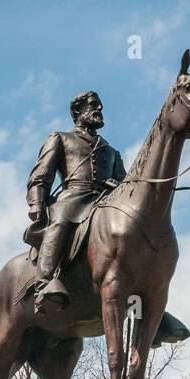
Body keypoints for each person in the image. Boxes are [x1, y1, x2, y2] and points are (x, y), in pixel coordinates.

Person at [26, 91, 126, 312]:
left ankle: (150, 298)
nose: (99, 109)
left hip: (104, 201)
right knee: (61, 220)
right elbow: (41, 176)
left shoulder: (112, 151)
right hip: (74, 197)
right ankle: (44, 284)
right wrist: (36, 203)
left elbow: (126, 185)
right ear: (78, 111)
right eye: (93, 105)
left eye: (100, 106)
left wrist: (117, 187)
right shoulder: (61, 138)